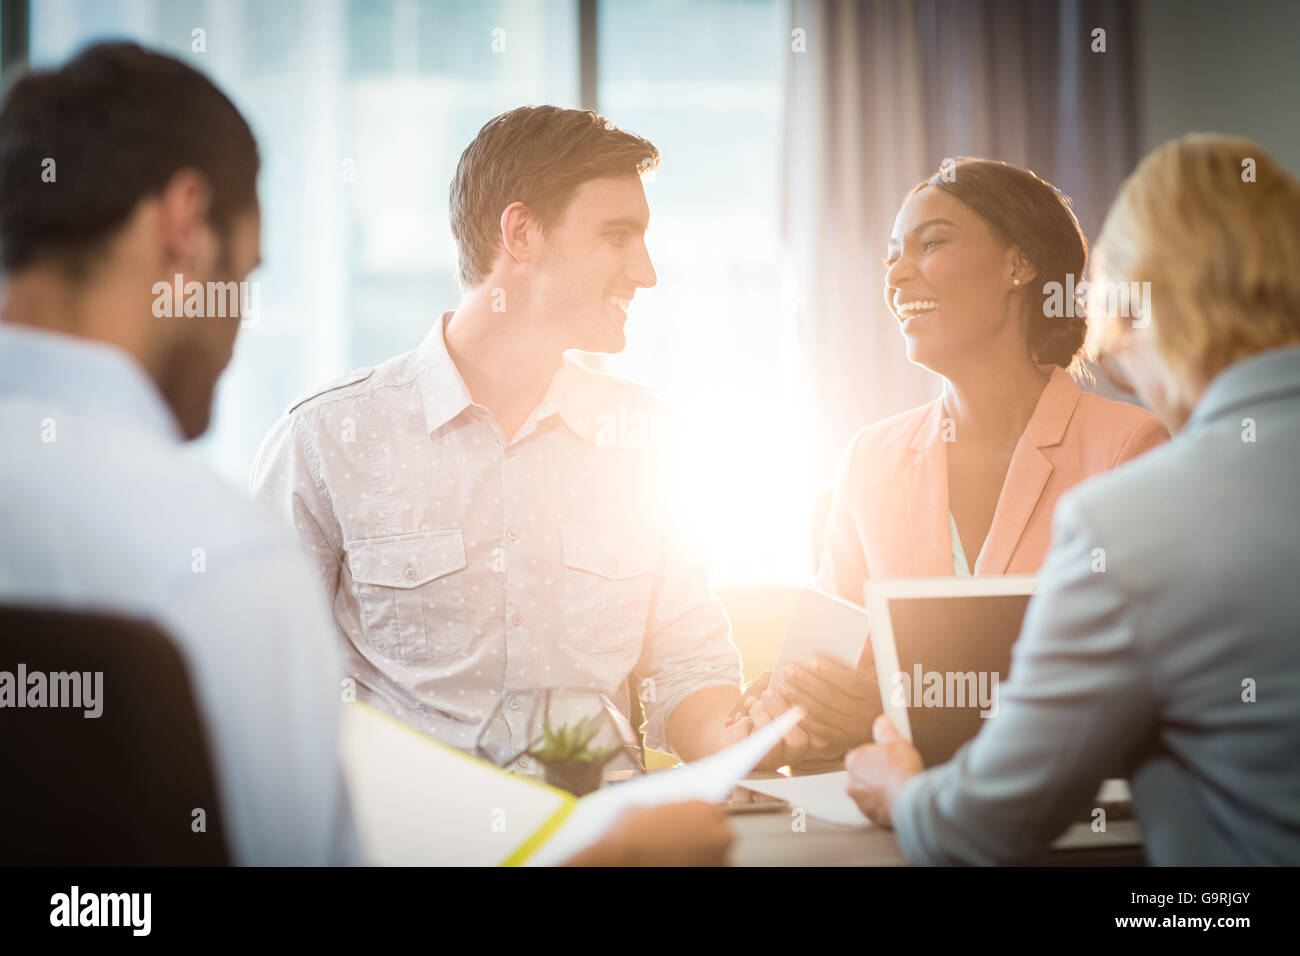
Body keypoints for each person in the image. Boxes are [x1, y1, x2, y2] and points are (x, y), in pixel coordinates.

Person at [0, 42, 732, 866]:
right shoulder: (243, 533)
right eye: (244, 274)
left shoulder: (649, 442)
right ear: (184, 227)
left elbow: (688, 661)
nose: (235, 322)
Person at [845, 134, 1300, 865]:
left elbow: (986, 824)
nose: (1118, 357)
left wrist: (901, 791)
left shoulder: (1129, 501)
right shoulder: (869, 458)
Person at [251, 106, 747, 768]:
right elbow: (258, 690)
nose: (646, 271)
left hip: (604, 836)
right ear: (521, 233)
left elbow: (689, 675)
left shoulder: (648, 440)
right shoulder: (325, 440)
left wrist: (753, 734)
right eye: (618, 236)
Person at [740, 159, 1167, 765]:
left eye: (932, 242)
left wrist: (898, 712)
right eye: (891, 255)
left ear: (1019, 266)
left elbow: (1133, 685)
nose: (896, 274)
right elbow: (827, 662)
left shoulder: (1127, 448)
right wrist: (791, 703)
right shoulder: (870, 460)